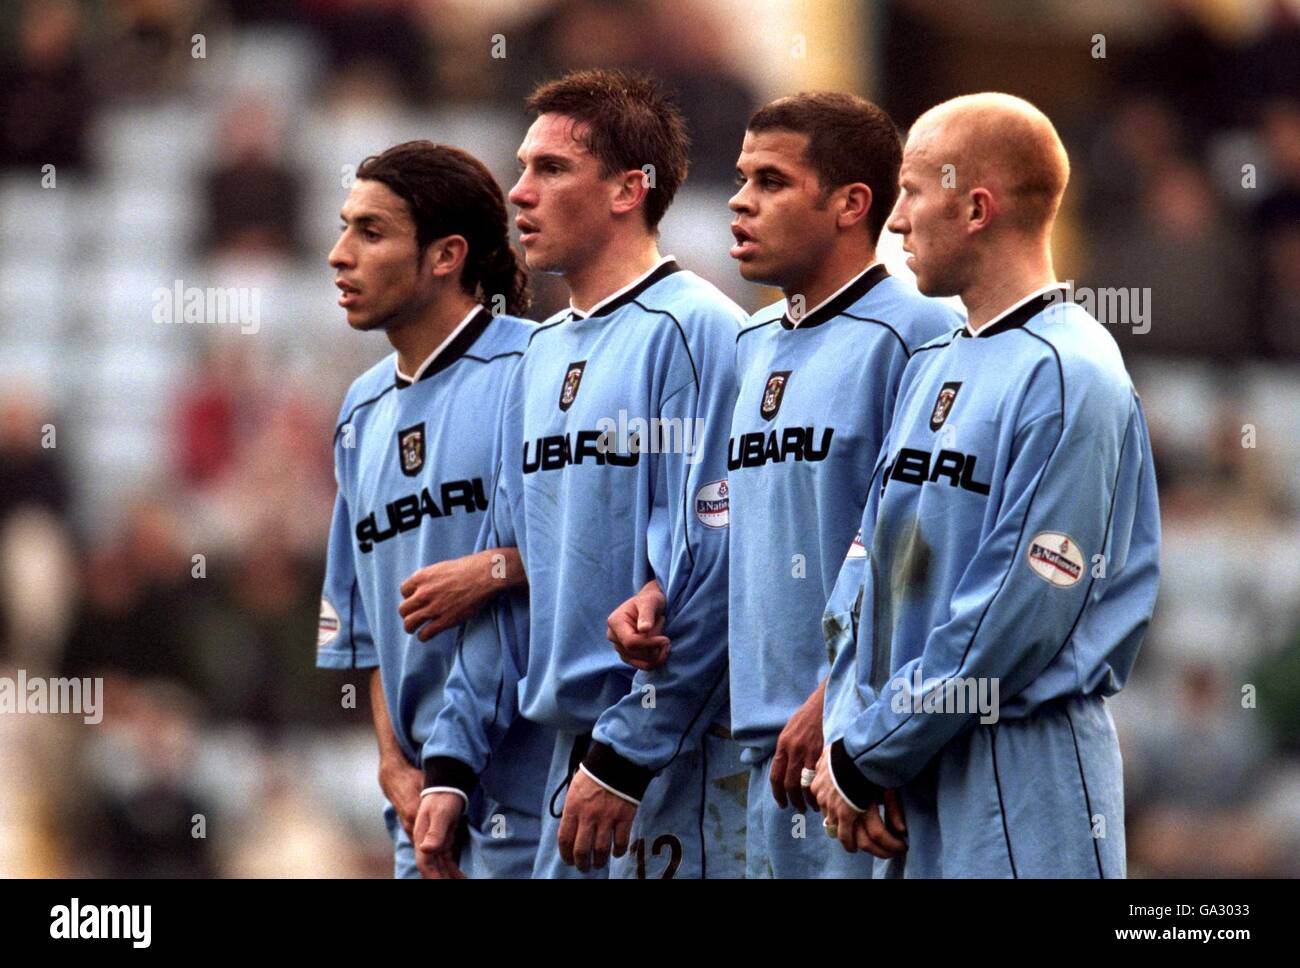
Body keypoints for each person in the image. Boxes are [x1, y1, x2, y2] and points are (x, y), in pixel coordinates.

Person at [606, 92, 958, 878]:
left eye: (770, 181)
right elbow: (731, 521)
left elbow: (922, 552)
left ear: (850, 205)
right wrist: (665, 588)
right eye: (740, 178)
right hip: (758, 753)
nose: (739, 201)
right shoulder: (750, 342)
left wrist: (840, 696)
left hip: (857, 754)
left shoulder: (920, 337)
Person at [812, 93, 1161, 878]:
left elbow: (1018, 610)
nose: (894, 222)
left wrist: (869, 753)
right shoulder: (934, 361)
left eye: (909, 191)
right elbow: (867, 566)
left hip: (1019, 782)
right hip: (904, 776)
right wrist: (852, 742)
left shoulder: (1072, 373)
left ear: (976, 207)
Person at [410, 68, 747, 879]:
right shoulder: (537, 352)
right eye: (522, 168)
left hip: (674, 762)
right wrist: (452, 762)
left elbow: (713, 570)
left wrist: (628, 755)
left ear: (631, 188)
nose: (518, 193)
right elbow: (508, 578)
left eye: (551, 169)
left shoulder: (700, 331)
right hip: (572, 765)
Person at [317, 141, 551, 878]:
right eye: (344, 226)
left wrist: (493, 569)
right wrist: (393, 765)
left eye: (370, 232)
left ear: (447, 255)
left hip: (535, 786)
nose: (338, 254)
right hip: (418, 808)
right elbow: (366, 630)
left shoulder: (539, 369)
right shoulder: (360, 410)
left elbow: (595, 551)